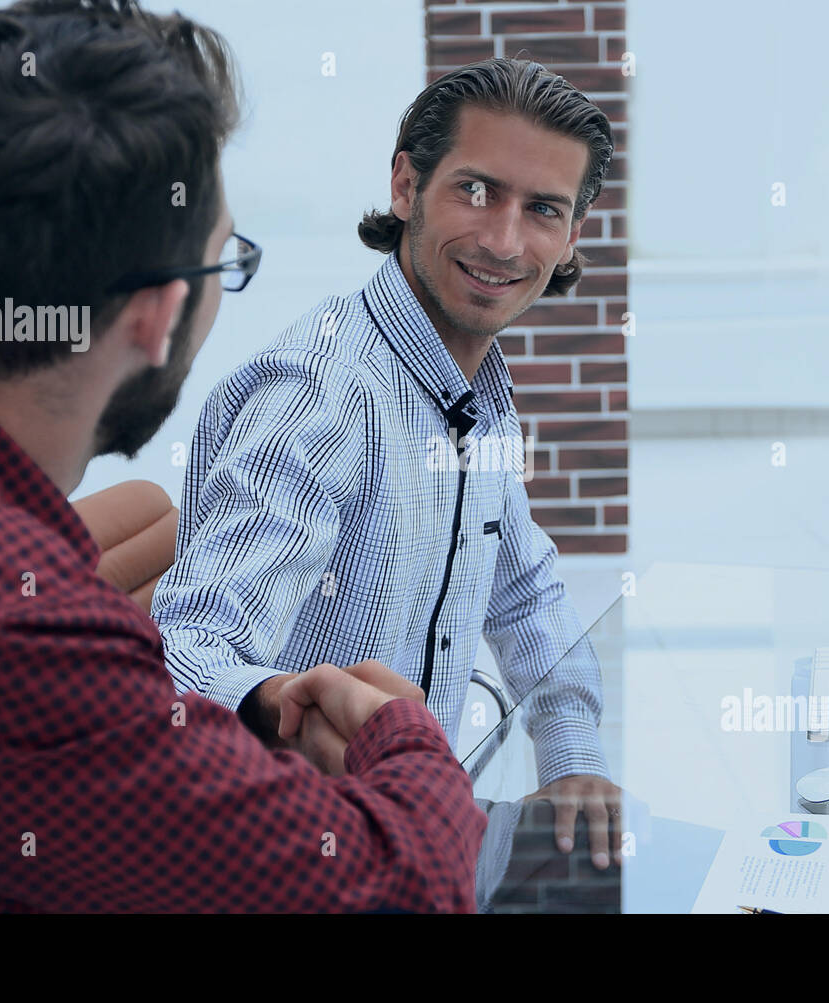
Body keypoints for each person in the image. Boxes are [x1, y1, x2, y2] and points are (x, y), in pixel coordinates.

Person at [0, 0, 484, 913]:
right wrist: (404, 734)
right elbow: (406, 887)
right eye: (227, 264)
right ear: (157, 314)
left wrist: (245, 708)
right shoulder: (23, 650)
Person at [153, 57, 624, 870]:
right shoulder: (324, 395)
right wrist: (283, 714)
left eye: (542, 209)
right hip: (296, 858)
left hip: (410, 834)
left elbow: (525, 590)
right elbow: (183, 650)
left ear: (572, 234)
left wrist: (574, 754)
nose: (505, 240)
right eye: (476, 191)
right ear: (406, 186)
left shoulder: (473, 385)